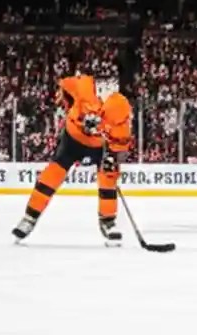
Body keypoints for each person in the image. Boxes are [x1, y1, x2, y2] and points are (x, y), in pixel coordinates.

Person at [11, 71, 132, 245]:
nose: (106, 88)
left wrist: (114, 156)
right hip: (73, 139)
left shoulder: (120, 106)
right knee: (53, 174)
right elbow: (64, 85)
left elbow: (122, 138)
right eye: (103, 83)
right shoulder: (82, 85)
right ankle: (30, 217)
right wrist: (69, 107)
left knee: (109, 177)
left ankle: (108, 221)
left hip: (100, 146)